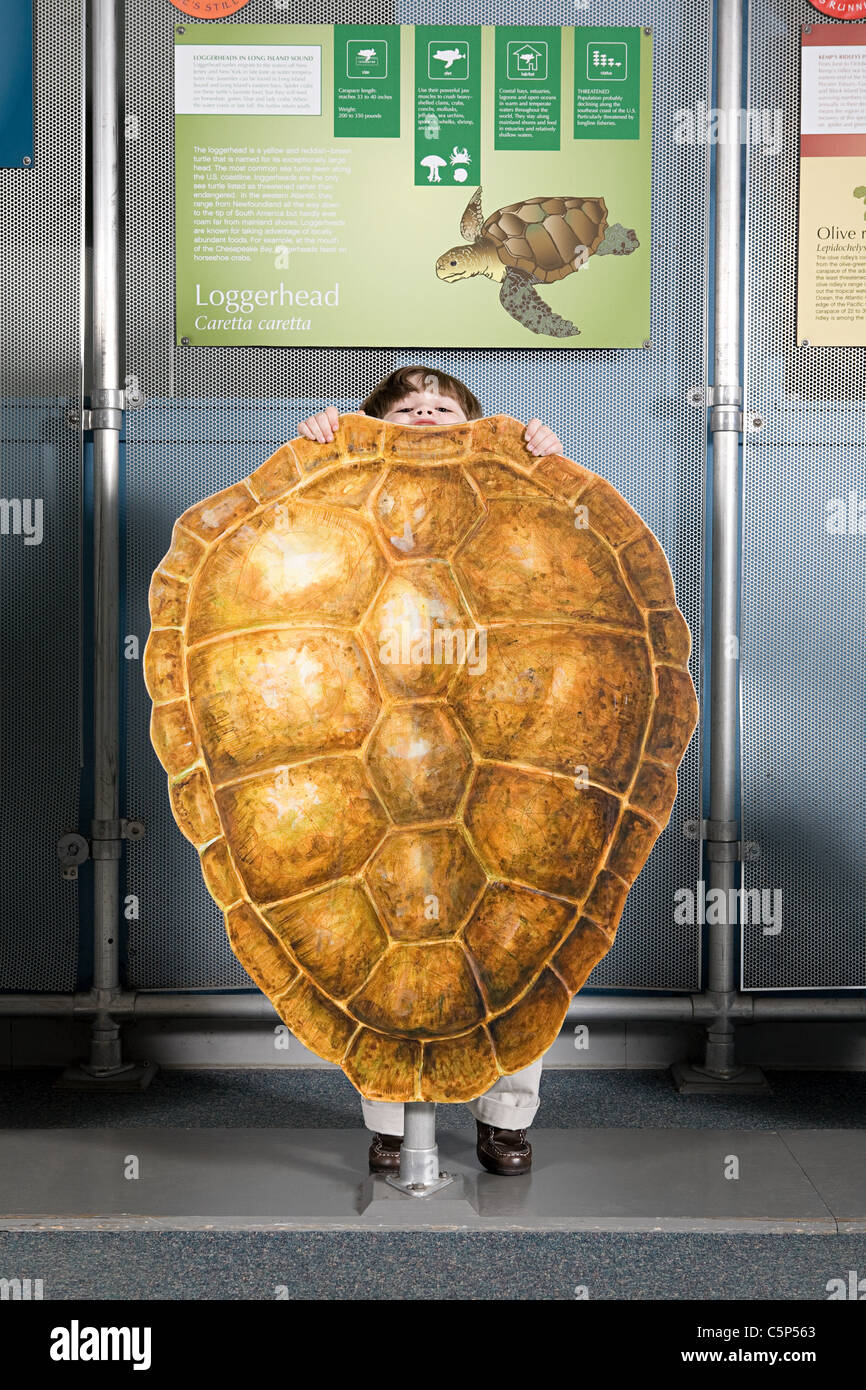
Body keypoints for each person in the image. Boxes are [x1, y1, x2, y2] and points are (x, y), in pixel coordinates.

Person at [297, 366, 563, 1176]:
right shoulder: (342, 475)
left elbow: (555, 577)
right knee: (374, 926)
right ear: (377, 420)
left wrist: (545, 462)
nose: (424, 415)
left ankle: (506, 1112)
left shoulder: (517, 476)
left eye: (442, 407)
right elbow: (291, 558)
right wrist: (312, 455)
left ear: (472, 422)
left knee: (518, 929)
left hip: (496, 739)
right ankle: (386, 1110)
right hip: (371, 740)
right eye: (406, 408)